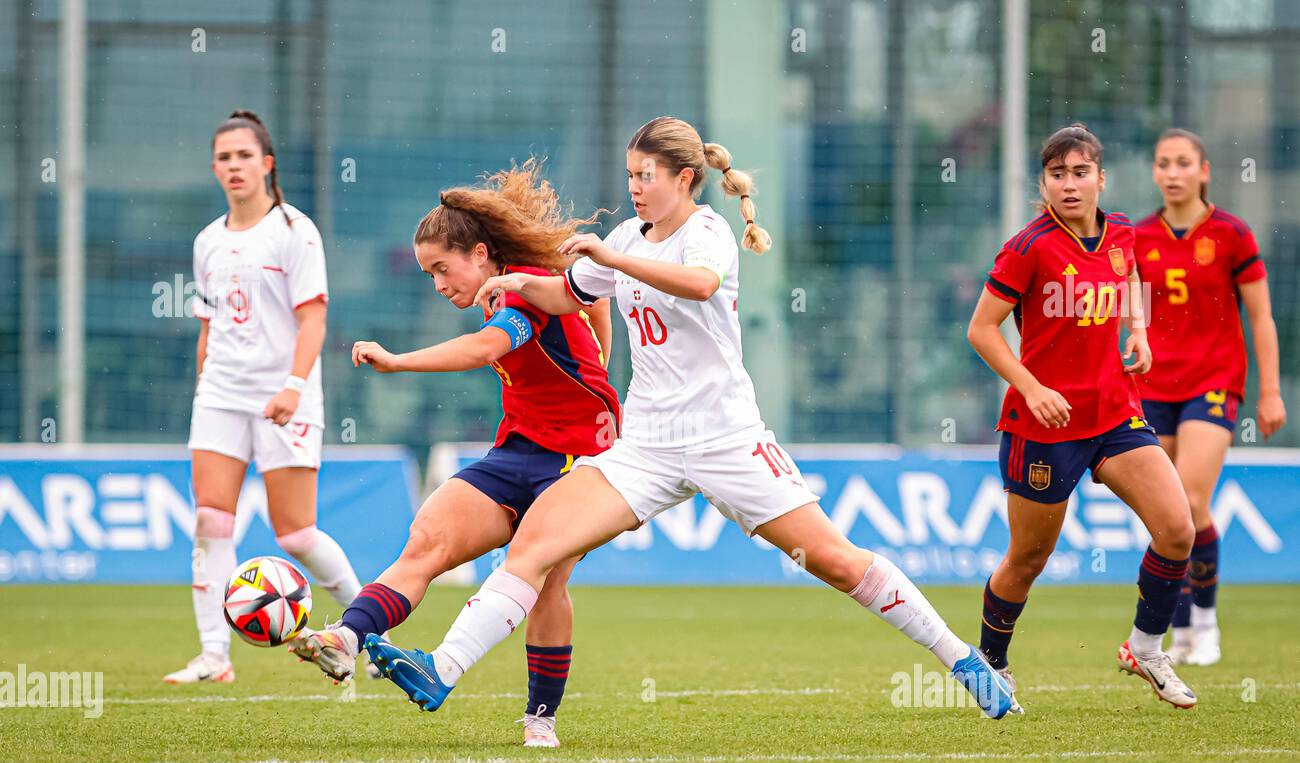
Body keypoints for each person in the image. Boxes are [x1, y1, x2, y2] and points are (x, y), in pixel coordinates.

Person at [364, 115, 1020, 722]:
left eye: (645, 175)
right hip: (645, 446)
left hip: (724, 439)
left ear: (685, 179)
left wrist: (611, 263)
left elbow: (699, 284)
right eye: (629, 175)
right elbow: (568, 293)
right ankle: (439, 669)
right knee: (535, 546)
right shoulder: (624, 237)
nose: (635, 187)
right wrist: (513, 284)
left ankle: (963, 658)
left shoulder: (705, 233)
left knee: (839, 563)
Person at [288, 159, 620, 748]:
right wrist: (597, 352)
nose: (438, 284)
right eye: (428, 274)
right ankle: (346, 636)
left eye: (442, 269)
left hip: (581, 457)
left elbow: (483, 347)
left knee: (546, 580)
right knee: (427, 541)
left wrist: (397, 361)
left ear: (482, 255)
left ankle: (539, 722)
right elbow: (592, 301)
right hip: (518, 448)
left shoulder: (523, 293)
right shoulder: (517, 287)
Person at [966, 123, 1197, 709]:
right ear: (1043, 183)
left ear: (1101, 178)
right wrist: (1031, 385)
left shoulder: (1121, 232)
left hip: (1116, 414)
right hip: (1042, 425)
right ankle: (991, 662)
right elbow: (981, 329)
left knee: (1177, 529)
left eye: (1079, 173)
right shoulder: (1027, 248)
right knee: (1028, 560)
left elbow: (1132, 278)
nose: (1069, 185)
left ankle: (1145, 648)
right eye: (1056, 174)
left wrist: (1139, 330)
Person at [167, 110, 366, 685]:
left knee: (296, 533)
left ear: (267, 164)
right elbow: (209, 328)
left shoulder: (294, 231)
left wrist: (293, 386)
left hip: (287, 394)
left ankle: (369, 632)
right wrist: (205, 387)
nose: (234, 166)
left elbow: (314, 320)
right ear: (214, 167)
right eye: (224, 158)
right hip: (221, 396)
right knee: (210, 520)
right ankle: (213, 656)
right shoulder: (207, 241)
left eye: (244, 156)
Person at [1135, 128, 1287, 666]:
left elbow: (1261, 317)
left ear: (1204, 171)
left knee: (1190, 500)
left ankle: (1205, 623)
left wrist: (1270, 391)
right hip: (1151, 387)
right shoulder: (1136, 238)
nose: (1172, 173)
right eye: (1162, 164)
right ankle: (1179, 633)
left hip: (1213, 384)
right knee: (1165, 516)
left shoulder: (1231, 234)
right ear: (1154, 172)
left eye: (1182, 163)